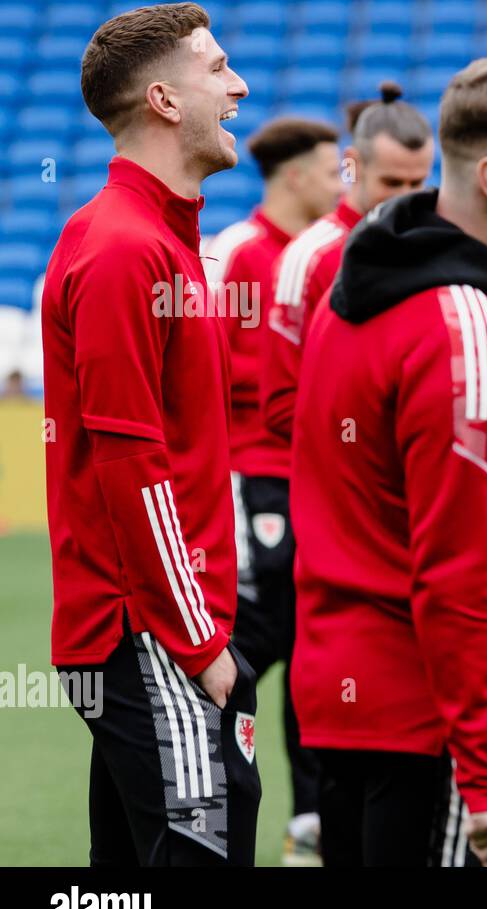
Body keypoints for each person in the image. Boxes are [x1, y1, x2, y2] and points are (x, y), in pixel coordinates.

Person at [290, 56, 487, 867]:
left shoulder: (354, 289)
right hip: (429, 720)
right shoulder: (463, 327)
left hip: (338, 701)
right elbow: (461, 568)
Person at [43, 2, 259, 865]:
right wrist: (202, 642)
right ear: (165, 101)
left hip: (150, 628)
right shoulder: (125, 248)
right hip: (150, 631)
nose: (238, 85)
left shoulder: (156, 242)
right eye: (217, 69)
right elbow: (133, 461)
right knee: (204, 848)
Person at [203, 116, 343, 865]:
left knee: (318, 646)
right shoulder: (238, 257)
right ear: (294, 175)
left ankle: (312, 817)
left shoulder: (327, 256)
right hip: (257, 481)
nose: (340, 185)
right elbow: (204, 379)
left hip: (323, 481)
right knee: (256, 642)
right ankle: (210, 791)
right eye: (331, 171)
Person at [261, 83, 434, 444]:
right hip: (339, 484)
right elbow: (281, 405)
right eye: (391, 182)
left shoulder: (437, 249)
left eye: (416, 182)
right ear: (353, 166)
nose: (405, 197)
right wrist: (372, 441)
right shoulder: (310, 258)